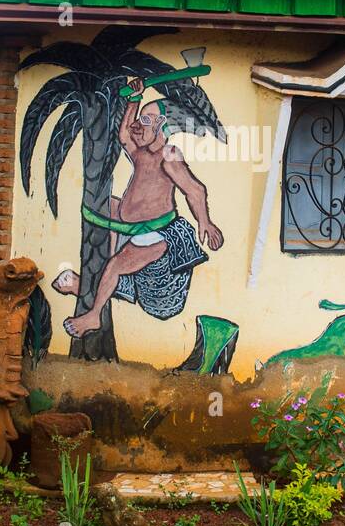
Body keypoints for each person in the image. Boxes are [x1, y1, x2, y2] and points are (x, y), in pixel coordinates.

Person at [57, 78, 222, 337]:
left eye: (145, 121)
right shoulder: (142, 153)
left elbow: (195, 190)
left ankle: (93, 316)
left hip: (156, 236)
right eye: (139, 120)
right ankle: (100, 277)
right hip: (133, 228)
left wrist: (205, 222)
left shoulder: (168, 155)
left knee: (115, 267)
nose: (136, 127)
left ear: (162, 126)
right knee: (108, 205)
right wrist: (134, 100)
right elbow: (124, 136)